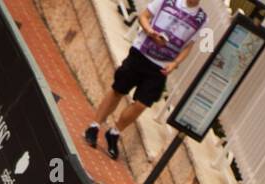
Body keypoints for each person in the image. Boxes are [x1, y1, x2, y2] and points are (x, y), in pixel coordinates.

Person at [84, 0, 207, 159]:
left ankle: (114, 133)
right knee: (118, 91)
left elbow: (189, 46)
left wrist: (175, 64)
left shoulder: (201, 19)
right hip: (141, 53)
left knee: (142, 104)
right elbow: (144, 16)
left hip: (161, 66)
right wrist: (150, 32)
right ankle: (94, 126)